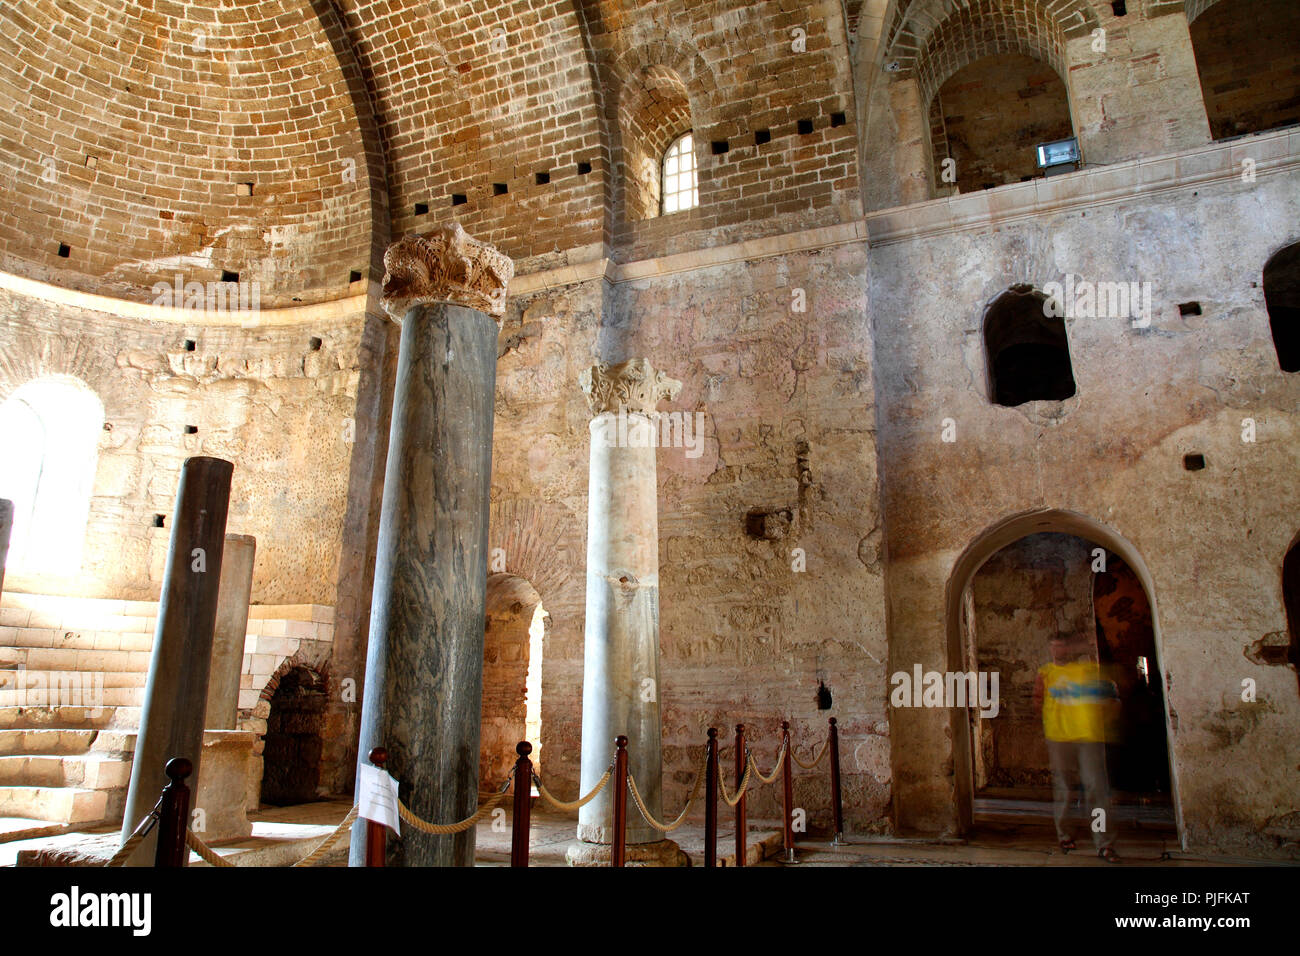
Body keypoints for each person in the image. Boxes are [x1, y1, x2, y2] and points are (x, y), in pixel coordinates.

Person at [1033, 635, 1121, 863]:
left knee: (1096, 790)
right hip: (1059, 737)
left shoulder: (1087, 670)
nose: (1057, 650)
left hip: (1088, 737)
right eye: (1053, 646)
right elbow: (1037, 701)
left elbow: (1111, 696)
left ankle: (1104, 842)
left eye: (1061, 646)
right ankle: (1065, 836)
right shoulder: (1045, 673)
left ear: (1069, 648)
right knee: (1064, 789)